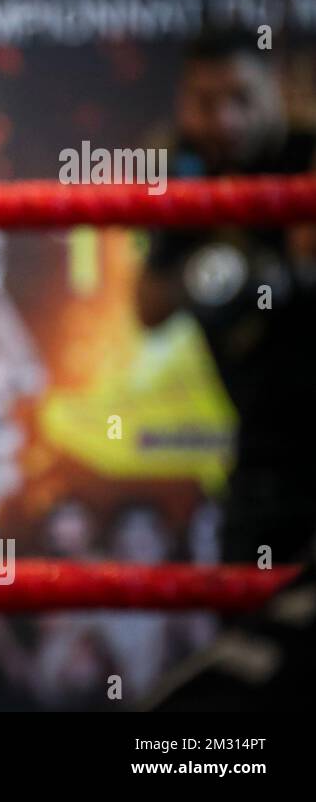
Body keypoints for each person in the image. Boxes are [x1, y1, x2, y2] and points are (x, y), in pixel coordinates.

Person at [136, 33, 316, 566]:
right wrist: (209, 275)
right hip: (261, 452)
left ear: (275, 88)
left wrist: (265, 272)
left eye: (242, 98)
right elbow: (148, 309)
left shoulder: (303, 156)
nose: (225, 120)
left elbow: (305, 264)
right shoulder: (186, 176)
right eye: (206, 103)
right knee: (248, 613)